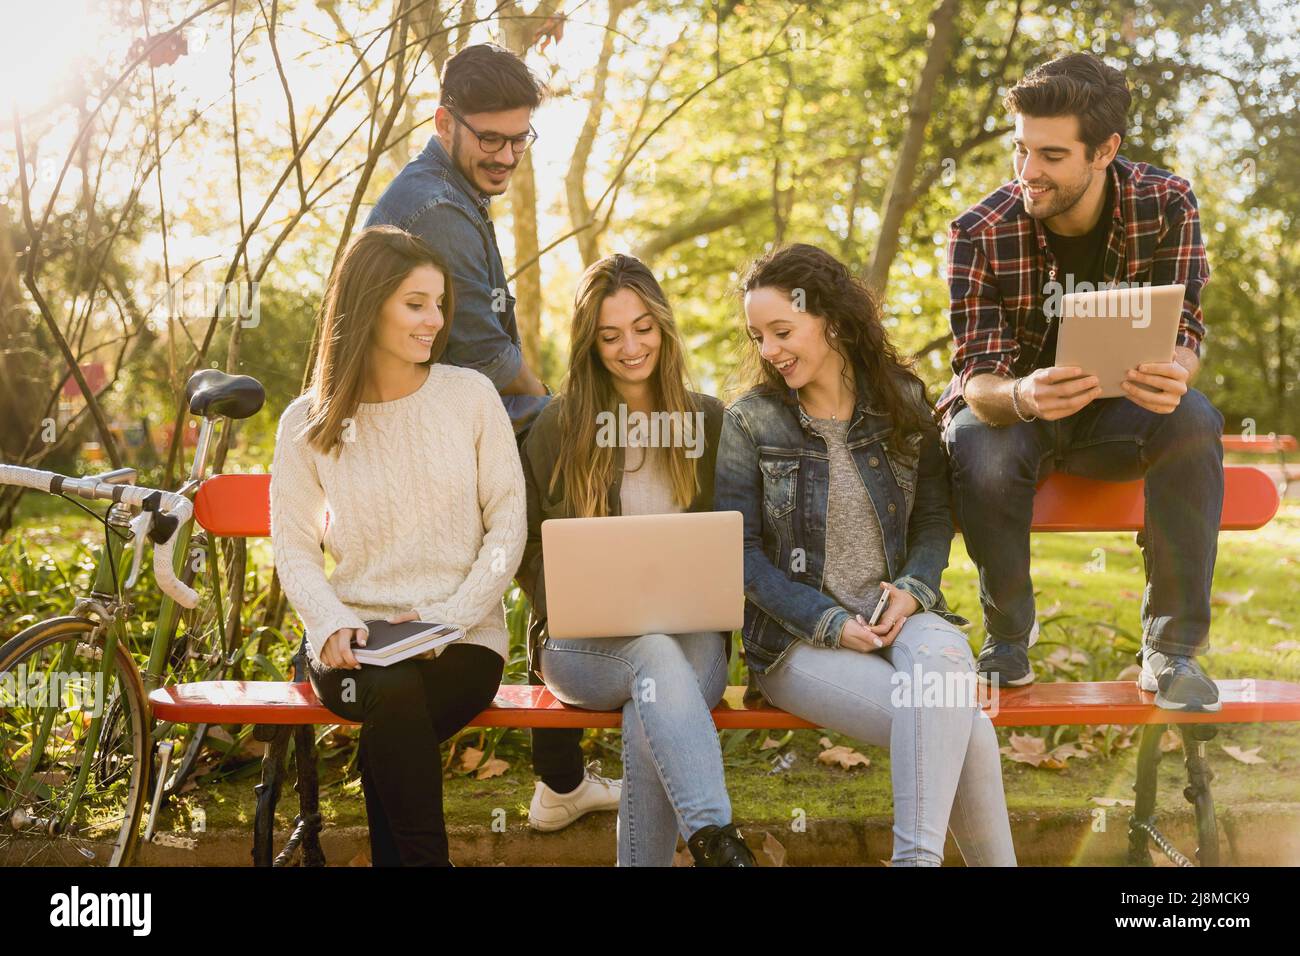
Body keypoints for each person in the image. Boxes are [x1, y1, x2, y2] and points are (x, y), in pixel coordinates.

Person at [365, 42, 620, 823]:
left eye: (520, 139)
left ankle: (562, 775)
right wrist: (558, 402)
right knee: (579, 493)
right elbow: (483, 352)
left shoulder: (447, 190)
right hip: (433, 433)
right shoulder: (437, 210)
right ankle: (565, 771)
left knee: (566, 534)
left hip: (456, 416)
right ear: (445, 122)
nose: (507, 156)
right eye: (491, 139)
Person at [937, 52, 1225, 711]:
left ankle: (1171, 651)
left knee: (1194, 418)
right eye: (1020, 150)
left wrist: (1175, 371)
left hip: (1119, 417)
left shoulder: (1166, 202)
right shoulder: (978, 232)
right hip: (1016, 415)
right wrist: (1022, 395)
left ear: (1105, 150)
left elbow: (1186, 331)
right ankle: (1008, 636)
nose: (1027, 172)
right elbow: (975, 376)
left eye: (1051, 155)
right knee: (978, 444)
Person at [715, 243, 1016, 867]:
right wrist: (828, 622)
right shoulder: (752, 422)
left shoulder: (902, 399)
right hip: (799, 642)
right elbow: (739, 554)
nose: (769, 350)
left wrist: (913, 587)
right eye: (759, 336)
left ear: (830, 319)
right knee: (969, 728)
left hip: (902, 614)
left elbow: (934, 519)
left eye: (782, 330)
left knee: (946, 680)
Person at [270, 226, 526, 866]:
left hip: (463, 642)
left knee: (397, 710)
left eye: (440, 304)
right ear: (368, 303)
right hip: (352, 646)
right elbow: (294, 544)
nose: (434, 321)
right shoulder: (307, 421)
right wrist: (328, 621)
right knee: (394, 697)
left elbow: (508, 525)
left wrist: (450, 617)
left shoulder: (468, 396)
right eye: (416, 303)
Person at [516, 253, 753, 866]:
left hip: (694, 637)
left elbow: (736, 538)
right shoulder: (559, 425)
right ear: (589, 342)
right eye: (610, 334)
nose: (629, 348)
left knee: (655, 690)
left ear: (663, 327)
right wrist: (568, 593)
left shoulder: (706, 421)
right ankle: (715, 840)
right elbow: (527, 545)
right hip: (580, 646)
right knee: (652, 660)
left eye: (642, 328)